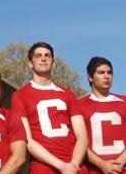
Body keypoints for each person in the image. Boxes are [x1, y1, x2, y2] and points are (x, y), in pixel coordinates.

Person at [11, 42, 88, 174]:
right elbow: (28, 140)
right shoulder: (20, 96)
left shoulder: (68, 94)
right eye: (38, 55)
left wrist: (73, 164)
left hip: (75, 166)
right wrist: (60, 165)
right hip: (44, 166)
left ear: (53, 63)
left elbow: (82, 135)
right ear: (30, 63)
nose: (43, 58)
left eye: (47, 55)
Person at [76, 57, 126, 174]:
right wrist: (102, 164)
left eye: (109, 72)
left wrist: (118, 163)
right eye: (101, 72)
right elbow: (75, 141)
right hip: (94, 169)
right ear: (90, 77)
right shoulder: (78, 105)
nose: (107, 76)